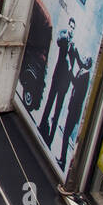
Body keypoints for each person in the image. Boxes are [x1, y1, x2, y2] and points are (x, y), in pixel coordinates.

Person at [38, 18, 83, 146]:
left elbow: (79, 62)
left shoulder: (74, 47)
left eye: (73, 28)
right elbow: (59, 42)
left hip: (65, 83)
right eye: (70, 27)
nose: (71, 30)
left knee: (58, 109)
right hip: (57, 77)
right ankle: (42, 124)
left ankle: (50, 138)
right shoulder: (63, 38)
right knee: (49, 101)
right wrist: (68, 41)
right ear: (68, 27)